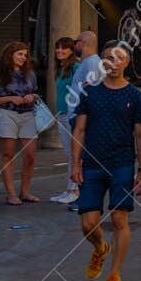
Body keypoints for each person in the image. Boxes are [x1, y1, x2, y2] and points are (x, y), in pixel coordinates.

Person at [71, 42, 141, 281]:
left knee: (119, 218)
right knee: (88, 224)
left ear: (127, 63)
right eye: (108, 58)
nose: (113, 63)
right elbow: (79, 130)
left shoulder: (135, 96)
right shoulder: (89, 92)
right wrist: (75, 164)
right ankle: (100, 248)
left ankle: (115, 273)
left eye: (119, 58)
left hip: (122, 163)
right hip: (92, 163)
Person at [0, 41, 42, 206]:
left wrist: (32, 97)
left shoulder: (30, 73)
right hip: (8, 113)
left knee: (30, 155)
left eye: (25, 55)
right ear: (10, 54)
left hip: (27, 114)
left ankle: (25, 191)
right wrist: (11, 98)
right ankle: (11, 194)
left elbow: (36, 93)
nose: (23, 58)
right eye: (20, 54)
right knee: (8, 154)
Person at [51, 31, 101, 205]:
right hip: (70, 114)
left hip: (77, 116)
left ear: (82, 43)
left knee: (76, 155)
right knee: (73, 154)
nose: (74, 45)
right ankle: (72, 189)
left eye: (75, 42)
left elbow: (94, 88)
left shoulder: (90, 63)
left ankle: (75, 190)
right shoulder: (86, 63)